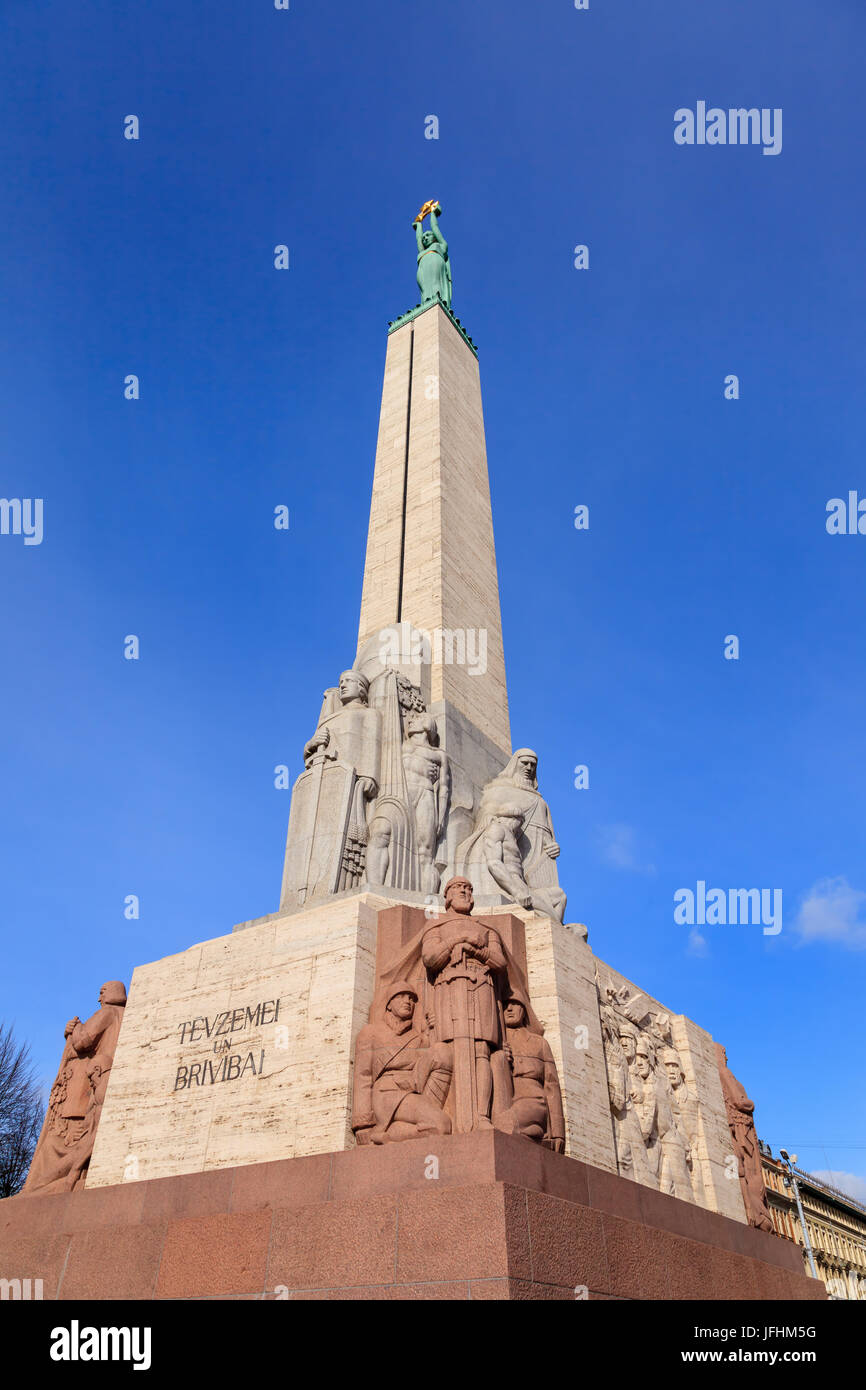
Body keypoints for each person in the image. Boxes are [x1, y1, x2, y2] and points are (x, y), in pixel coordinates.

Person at [352, 981, 452, 1144]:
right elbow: (363, 1076)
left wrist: (433, 1032)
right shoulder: (370, 1032)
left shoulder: (418, 1037)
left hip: (412, 1091)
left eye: (411, 999)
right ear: (389, 1004)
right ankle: (383, 1134)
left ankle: (390, 1132)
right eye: (400, 997)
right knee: (441, 1125)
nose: (407, 1001)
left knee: (441, 1050)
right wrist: (362, 1124)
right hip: (386, 1094)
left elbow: (431, 1064)